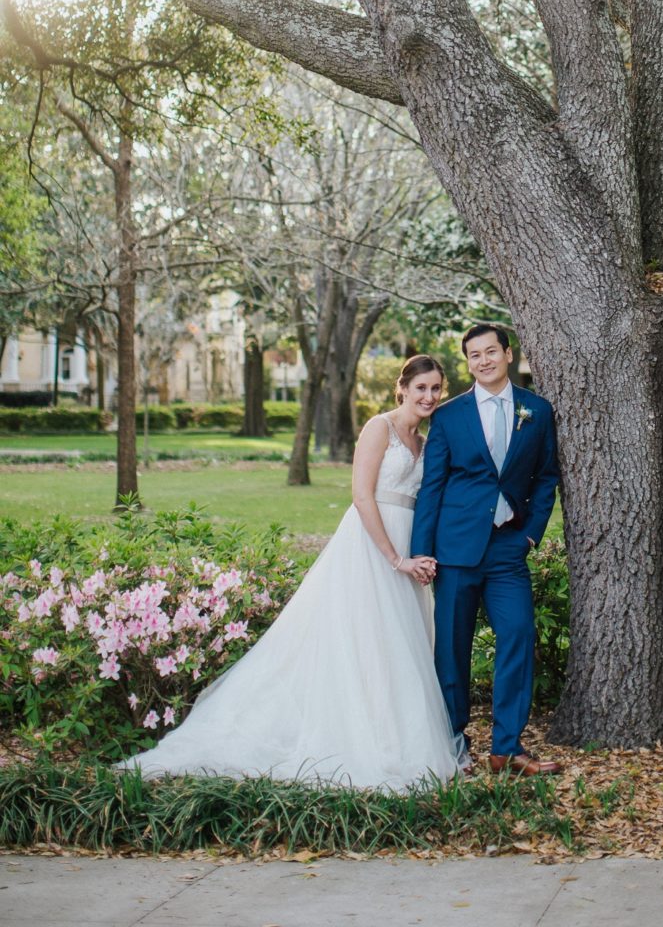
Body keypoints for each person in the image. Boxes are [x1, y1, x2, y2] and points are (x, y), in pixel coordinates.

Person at [118, 355, 461, 790]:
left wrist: (419, 556)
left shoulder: (428, 442)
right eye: (421, 388)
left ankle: (390, 735)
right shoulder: (380, 428)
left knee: (396, 647)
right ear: (403, 389)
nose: (429, 396)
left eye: (436, 389)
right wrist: (395, 558)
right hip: (371, 547)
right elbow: (362, 496)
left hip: (410, 549)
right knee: (360, 640)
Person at [411, 324, 562, 776]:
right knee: (452, 651)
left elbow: (547, 476)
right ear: (468, 362)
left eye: (490, 352)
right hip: (455, 550)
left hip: (507, 549)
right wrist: (423, 551)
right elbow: (432, 487)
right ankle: (455, 741)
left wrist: (530, 534)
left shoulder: (536, 410)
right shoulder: (450, 416)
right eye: (474, 355)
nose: (483, 361)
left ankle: (507, 749)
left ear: (507, 354)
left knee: (518, 635)